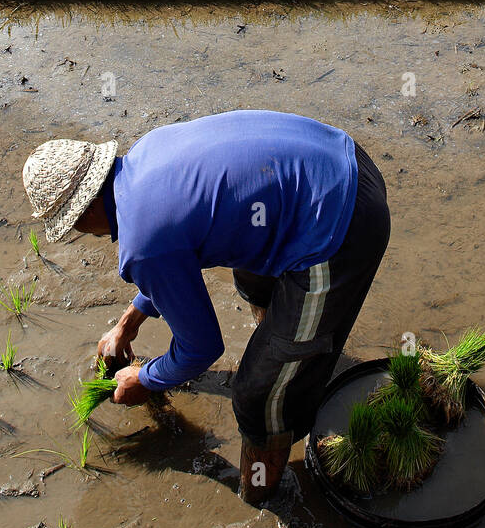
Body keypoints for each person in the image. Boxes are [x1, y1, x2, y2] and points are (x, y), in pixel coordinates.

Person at [22, 110, 390, 504]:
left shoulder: (143, 242)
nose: (80, 234)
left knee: (255, 398)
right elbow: (175, 247)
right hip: (342, 158)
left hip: (342, 225)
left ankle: (261, 495)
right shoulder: (144, 156)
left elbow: (201, 348)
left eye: (71, 225)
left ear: (86, 210)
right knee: (250, 276)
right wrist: (127, 324)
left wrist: (145, 379)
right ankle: (288, 352)